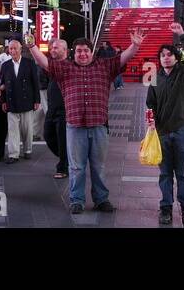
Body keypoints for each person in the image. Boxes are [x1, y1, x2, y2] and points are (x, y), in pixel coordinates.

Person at [26, 27, 147, 215]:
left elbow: (123, 58)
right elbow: (44, 62)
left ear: (92, 52)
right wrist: (32, 45)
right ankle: (77, 200)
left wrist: (135, 45)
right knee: (76, 167)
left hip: (99, 126)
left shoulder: (104, 66)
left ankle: (101, 199)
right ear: (74, 53)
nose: (83, 54)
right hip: (74, 127)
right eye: (80, 50)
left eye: (86, 50)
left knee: (98, 167)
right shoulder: (64, 68)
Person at [146, 24, 184, 226]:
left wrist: (182, 35)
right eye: (162, 55)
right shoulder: (153, 77)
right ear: (159, 59)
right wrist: (150, 120)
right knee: (165, 174)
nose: (166, 57)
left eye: (169, 55)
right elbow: (149, 102)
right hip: (161, 133)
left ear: (176, 58)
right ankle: (166, 208)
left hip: (182, 130)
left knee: (183, 174)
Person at [0, 38, 41, 163]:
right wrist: (3, 101)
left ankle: (28, 150)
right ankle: (13, 154)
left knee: (27, 129)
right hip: (11, 101)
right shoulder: (5, 65)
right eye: (10, 49)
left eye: (15, 48)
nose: (13, 51)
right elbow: (3, 85)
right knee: (12, 130)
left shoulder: (29, 63)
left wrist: (37, 100)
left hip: (27, 100)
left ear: (20, 49)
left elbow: (35, 83)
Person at [43, 39, 69, 179]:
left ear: (65, 50)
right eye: (52, 48)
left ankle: (64, 166)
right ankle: (69, 158)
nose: (52, 50)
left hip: (64, 109)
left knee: (62, 138)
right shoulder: (52, 65)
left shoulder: (68, 66)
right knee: (48, 135)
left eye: (56, 48)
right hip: (52, 108)